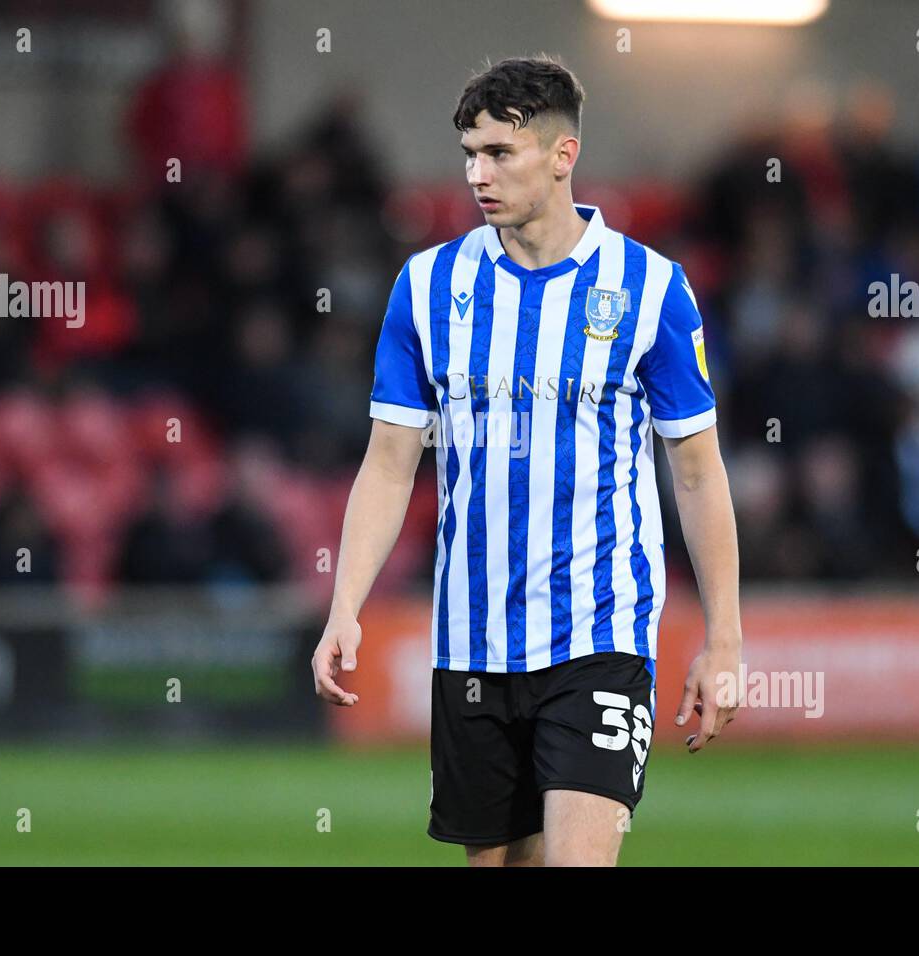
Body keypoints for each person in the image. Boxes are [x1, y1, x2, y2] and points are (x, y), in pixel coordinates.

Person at [312, 55, 742, 867]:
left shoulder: (650, 290)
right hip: (471, 642)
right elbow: (390, 464)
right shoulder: (428, 286)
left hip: (599, 633)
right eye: (470, 152)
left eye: (499, 153)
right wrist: (346, 607)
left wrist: (724, 639)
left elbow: (696, 469)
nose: (478, 172)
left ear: (561, 156)